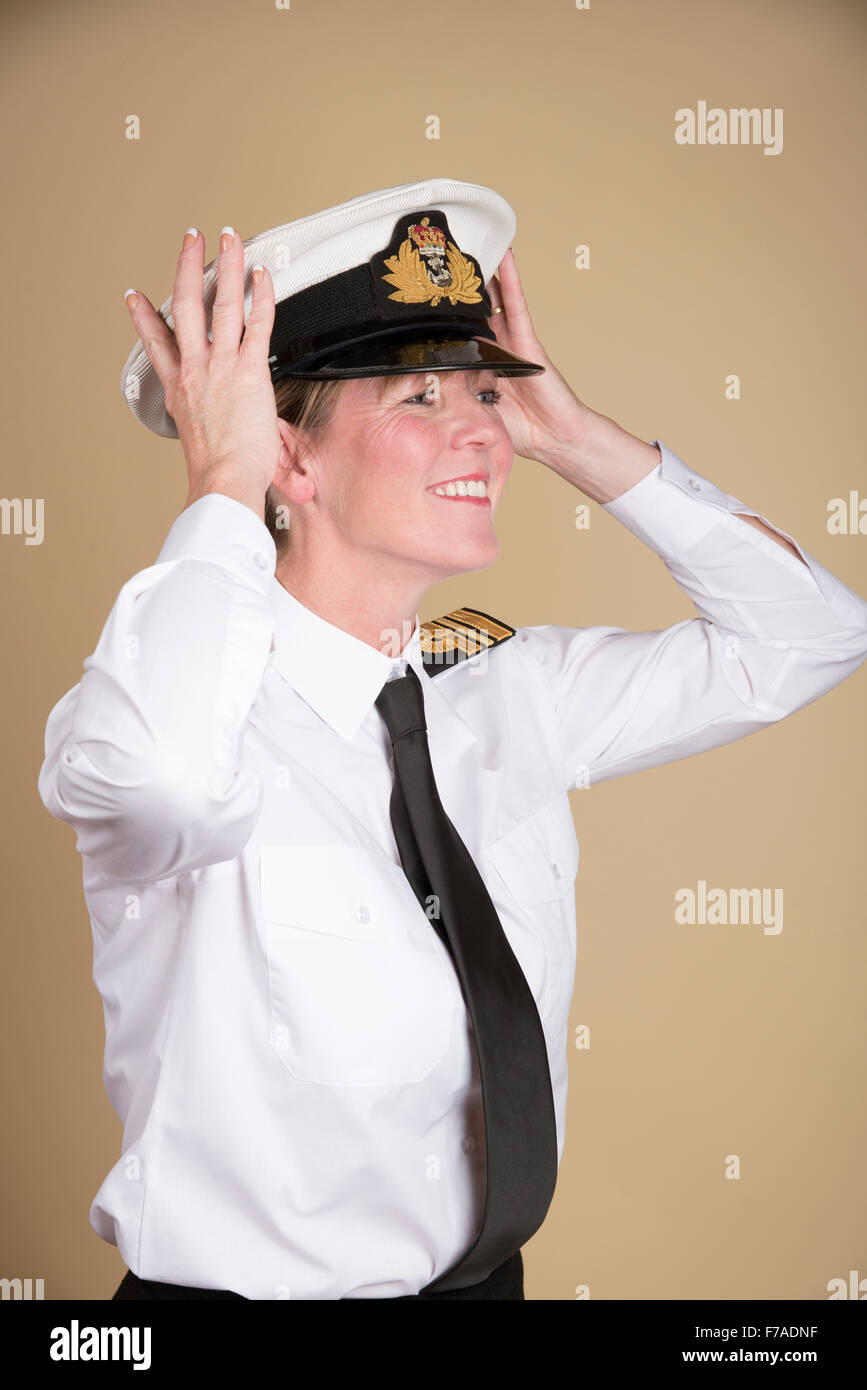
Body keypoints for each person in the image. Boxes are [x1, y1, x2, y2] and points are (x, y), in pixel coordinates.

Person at [37, 178, 867, 1302]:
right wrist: (223, 480)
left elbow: (812, 636)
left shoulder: (501, 690)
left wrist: (576, 439)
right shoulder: (178, 712)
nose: (481, 425)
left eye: (484, 389)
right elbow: (166, 780)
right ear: (293, 455)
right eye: (420, 395)